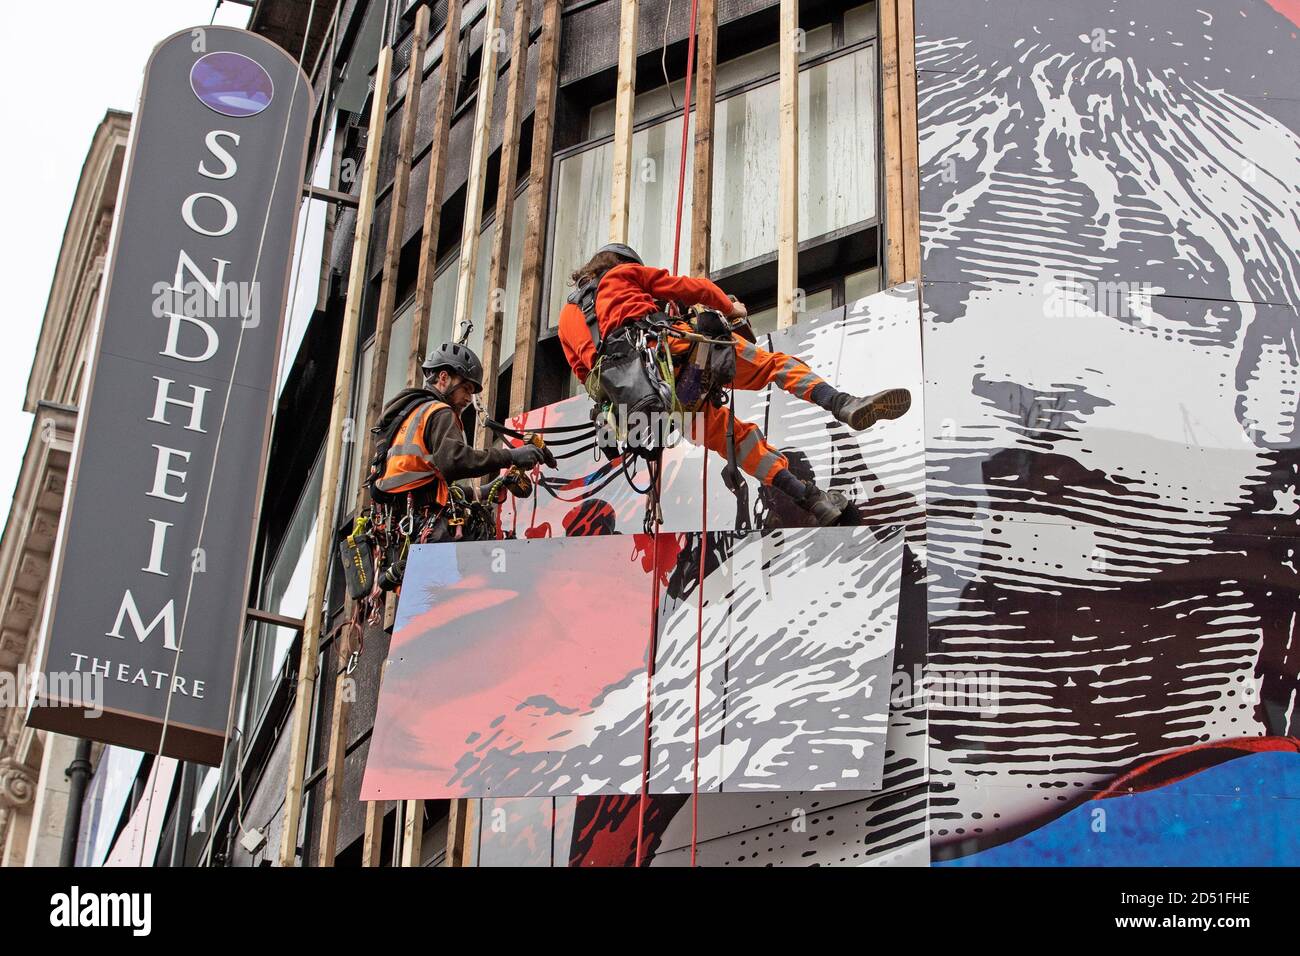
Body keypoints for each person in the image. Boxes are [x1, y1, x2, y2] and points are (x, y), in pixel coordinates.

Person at [557, 243, 912, 525]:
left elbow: (588, 376)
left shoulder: (566, 321)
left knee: (739, 442)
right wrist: (731, 308)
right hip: (679, 352)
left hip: (653, 405)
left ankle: (814, 501)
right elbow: (689, 288)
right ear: (618, 262)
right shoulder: (622, 276)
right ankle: (843, 404)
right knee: (773, 365)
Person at [369, 342, 552, 541]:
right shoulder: (439, 412)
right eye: (465, 388)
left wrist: (484, 491)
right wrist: (512, 455)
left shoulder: (406, 415)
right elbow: (456, 461)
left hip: (397, 528)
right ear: (444, 377)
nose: (468, 398)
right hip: (421, 525)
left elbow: (423, 485)